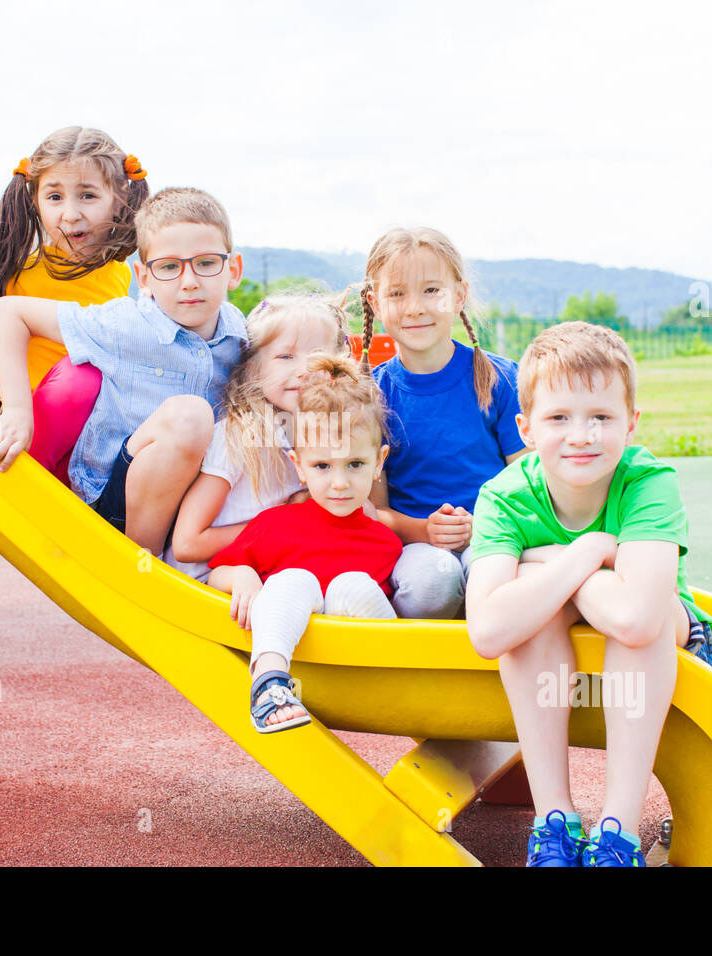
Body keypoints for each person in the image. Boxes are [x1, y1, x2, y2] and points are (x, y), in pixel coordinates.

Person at [465, 321, 712, 867]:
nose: (581, 435)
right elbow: (488, 632)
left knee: (638, 634)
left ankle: (618, 834)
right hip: (562, 628)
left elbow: (635, 617)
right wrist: (585, 554)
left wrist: (547, 567)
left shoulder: (648, 481)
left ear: (631, 425)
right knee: (529, 628)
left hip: (663, 628)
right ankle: (554, 822)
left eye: (601, 418)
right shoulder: (505, 495)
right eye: (558, 418)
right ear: (525, 429)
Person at [0, 187, 246, 554]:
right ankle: (142, 568)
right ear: (144, 278)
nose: (189, 281)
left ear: (233, 270)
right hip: (117, 503)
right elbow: (9, 312)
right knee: (191, 417)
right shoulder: (124, 324)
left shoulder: (240, 333)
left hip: (195, 508)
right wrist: (18, 412)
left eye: (206, 263)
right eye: (168, 266)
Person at [207, 355, 402, 733]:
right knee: (294, 579)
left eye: (355, 464)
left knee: (352, 584)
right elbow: (216, 576)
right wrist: (243, 575)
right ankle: (268, 682)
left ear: (379, 462)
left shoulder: (385, 543)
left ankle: (398, 678)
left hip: (369, 672)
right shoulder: (276, 525)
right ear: (298, 465)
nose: (340, 483)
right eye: (323, 467)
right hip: (298, 665)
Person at [0, 127, 150, 485]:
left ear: (119, 197)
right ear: (35, 200)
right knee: (82, 375)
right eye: (54, 197)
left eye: (88, 195)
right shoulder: (22, 273)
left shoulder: (121, 275)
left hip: (89, 440)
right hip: (26, 426)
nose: (70, 213)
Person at [360, 227, 524, 618]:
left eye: (431, 290)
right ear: (375, 303)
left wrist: (482, 525)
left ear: (459, 295)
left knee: (497, 580)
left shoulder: (500, 379)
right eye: (397, 293)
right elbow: (374, 509)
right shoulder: (369, 395)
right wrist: (425, 531)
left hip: (496, 534)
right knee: (435, 580)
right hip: (416, 543)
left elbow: (528, 477)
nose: (415, 307)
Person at [166, 292, 350, 582]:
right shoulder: (239, 436)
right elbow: (188, 544)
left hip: (275, 572)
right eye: (286, 357)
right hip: (213, 580)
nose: (304, 370)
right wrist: (286, 522)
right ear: (255, 368)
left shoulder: (329, 435)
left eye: (318, 357)